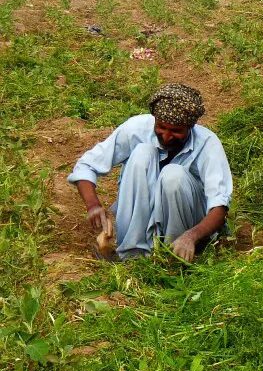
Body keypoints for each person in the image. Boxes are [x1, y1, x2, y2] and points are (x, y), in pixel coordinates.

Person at [67, 84, 232, 261]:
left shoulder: (207, 144)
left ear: (190, 127)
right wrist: (93, 205)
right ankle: (133, 255)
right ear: (154, 119)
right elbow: (86, 166)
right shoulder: (136, 129)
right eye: (161, 127)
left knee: (173, 176)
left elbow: (219, 205)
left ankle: (174, 257)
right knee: (142, 153)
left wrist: (191, 236)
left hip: (187, 224)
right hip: (141, 213)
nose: (167, 136)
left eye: (176, 131)